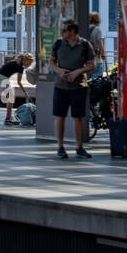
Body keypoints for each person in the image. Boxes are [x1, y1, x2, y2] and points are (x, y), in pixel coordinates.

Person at [50, 19, 96, 159]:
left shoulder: (85, 45)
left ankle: (79, 147)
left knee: (78, 118)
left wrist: (77, 72)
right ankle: (60, 146)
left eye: (64, 30)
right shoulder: (58, 43)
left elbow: (92, 65)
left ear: (72, 32)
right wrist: (59, 71)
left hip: (78, 86)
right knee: (60, 116)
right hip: (61, 86)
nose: (62, 33)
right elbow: (51, 62)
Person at [0, 53, 34, 126]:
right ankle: (8, 119)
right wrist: (25, 92)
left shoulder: (16, 62)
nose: (29, 65)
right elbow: (19, 82)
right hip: (2, 78)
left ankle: (9, 117)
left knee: (11, 98)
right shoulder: (20, 67)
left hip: (0, 78)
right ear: (25, 60)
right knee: (11, 98)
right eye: (29, 62)